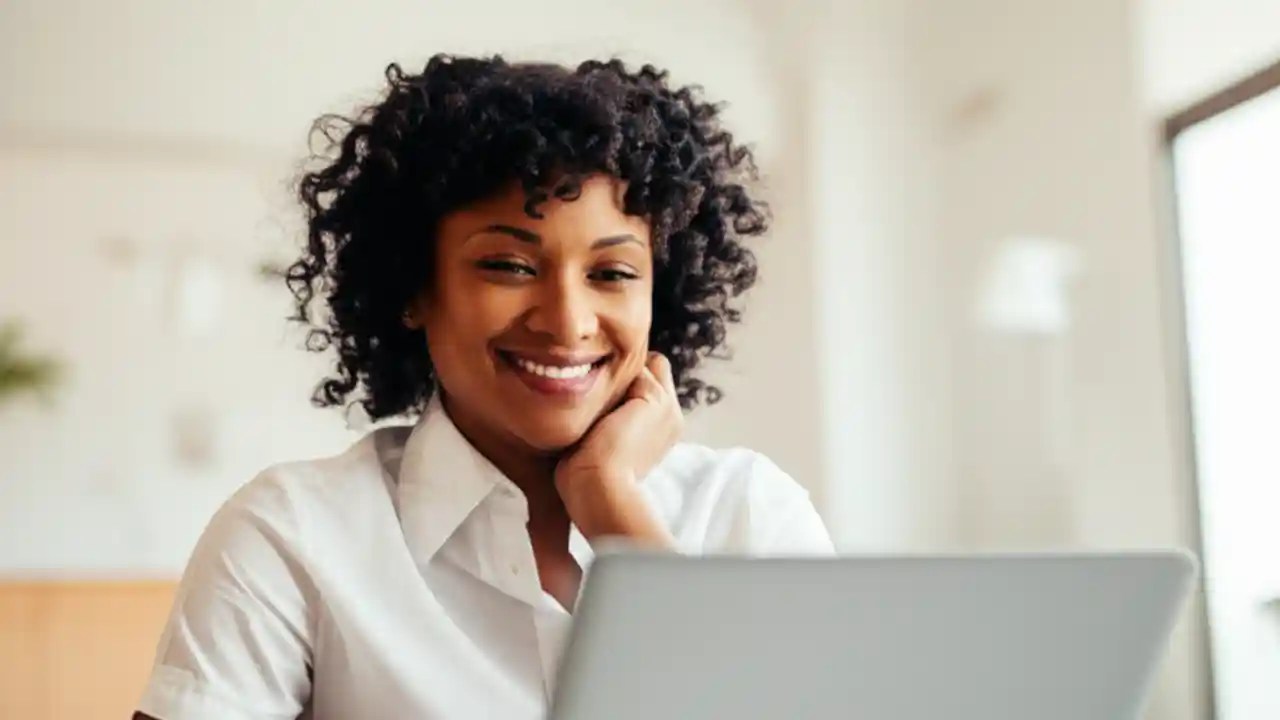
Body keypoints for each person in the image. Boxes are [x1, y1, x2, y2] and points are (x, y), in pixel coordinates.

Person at [134, 54, 831, 720]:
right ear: (414, 288)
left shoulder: (748, 514)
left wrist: (614, 509)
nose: (567, 321)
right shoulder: (292, 535)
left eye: (612, 274)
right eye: (508, 265)